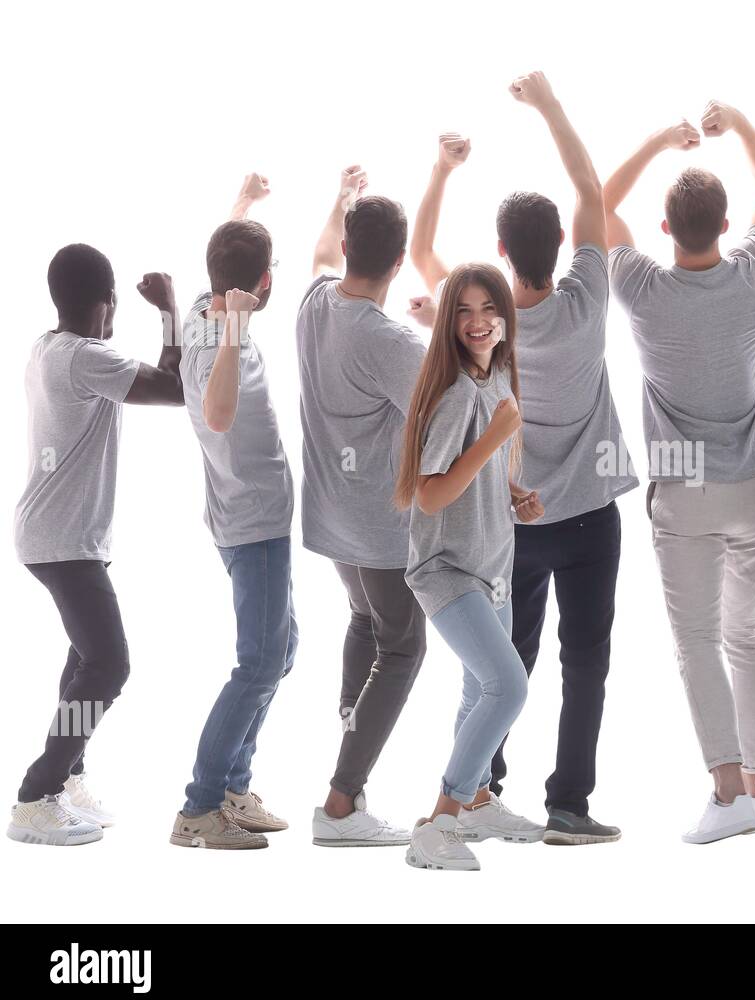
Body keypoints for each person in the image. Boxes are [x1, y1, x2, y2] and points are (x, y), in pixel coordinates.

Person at [411, 72, 634, 846]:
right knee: (587, 664)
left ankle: (477, 791)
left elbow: (422, 252)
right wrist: (547, 105)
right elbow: (589, 188)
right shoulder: (588, 297)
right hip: (592, 517)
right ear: (562, 249)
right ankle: (568, 804)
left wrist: (441, 170)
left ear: (501, 253)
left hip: (514, 523)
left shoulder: (482, 324)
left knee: (503, 663)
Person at [604, 98, 755, 844]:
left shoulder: (642, 289)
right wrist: (736, 124)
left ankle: (726, 789)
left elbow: (597, 202)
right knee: (748, 639)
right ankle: (753, 790)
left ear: (667, 229)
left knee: (698, 642)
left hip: (684, 499)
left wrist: (656, 140)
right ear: (728, 222)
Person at [8, 247, 185, 846]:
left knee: (86, 659)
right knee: (109, 665)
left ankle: (68, 777)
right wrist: (169, 313)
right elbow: (178, 388)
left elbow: (128, 372)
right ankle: (37, 793)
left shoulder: (47, 347)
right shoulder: (88, 359)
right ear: (106, 303)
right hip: (64, 543)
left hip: (51, 536)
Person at [398, 263, 546, 871]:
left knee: (476, 689)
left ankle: (480, 798)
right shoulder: (459, 394)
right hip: (446, 570)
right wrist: (493, 440)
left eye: (489, 308)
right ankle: (439, 821)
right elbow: (429, 494)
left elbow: (472, 471)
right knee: (507, 687)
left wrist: (511, 492)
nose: (478, 321)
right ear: (450, 323)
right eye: (464, 311)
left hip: (492, 566)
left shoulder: (496, 377)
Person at [298, 167, 429, 847]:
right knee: (403, 644)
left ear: (350, 247)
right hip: (378, 530)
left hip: (331, 521)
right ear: (402, 261)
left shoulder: (313, 300)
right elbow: (446, 418)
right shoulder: (391, 341)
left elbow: (320, 252)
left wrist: (340, 197)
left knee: (363, 621)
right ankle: (342, 803)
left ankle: (352, 766)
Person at [171, 175, 297, 850]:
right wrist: (236, 335)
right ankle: (199, 806)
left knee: (281, 652)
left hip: (242, 520)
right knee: (257, 664)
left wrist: (244, 203)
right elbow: (218, 416)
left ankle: (234, 788)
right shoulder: (227, 339)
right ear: (266, 282)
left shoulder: (201, 306)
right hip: (253, 527)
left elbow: (222, 256)